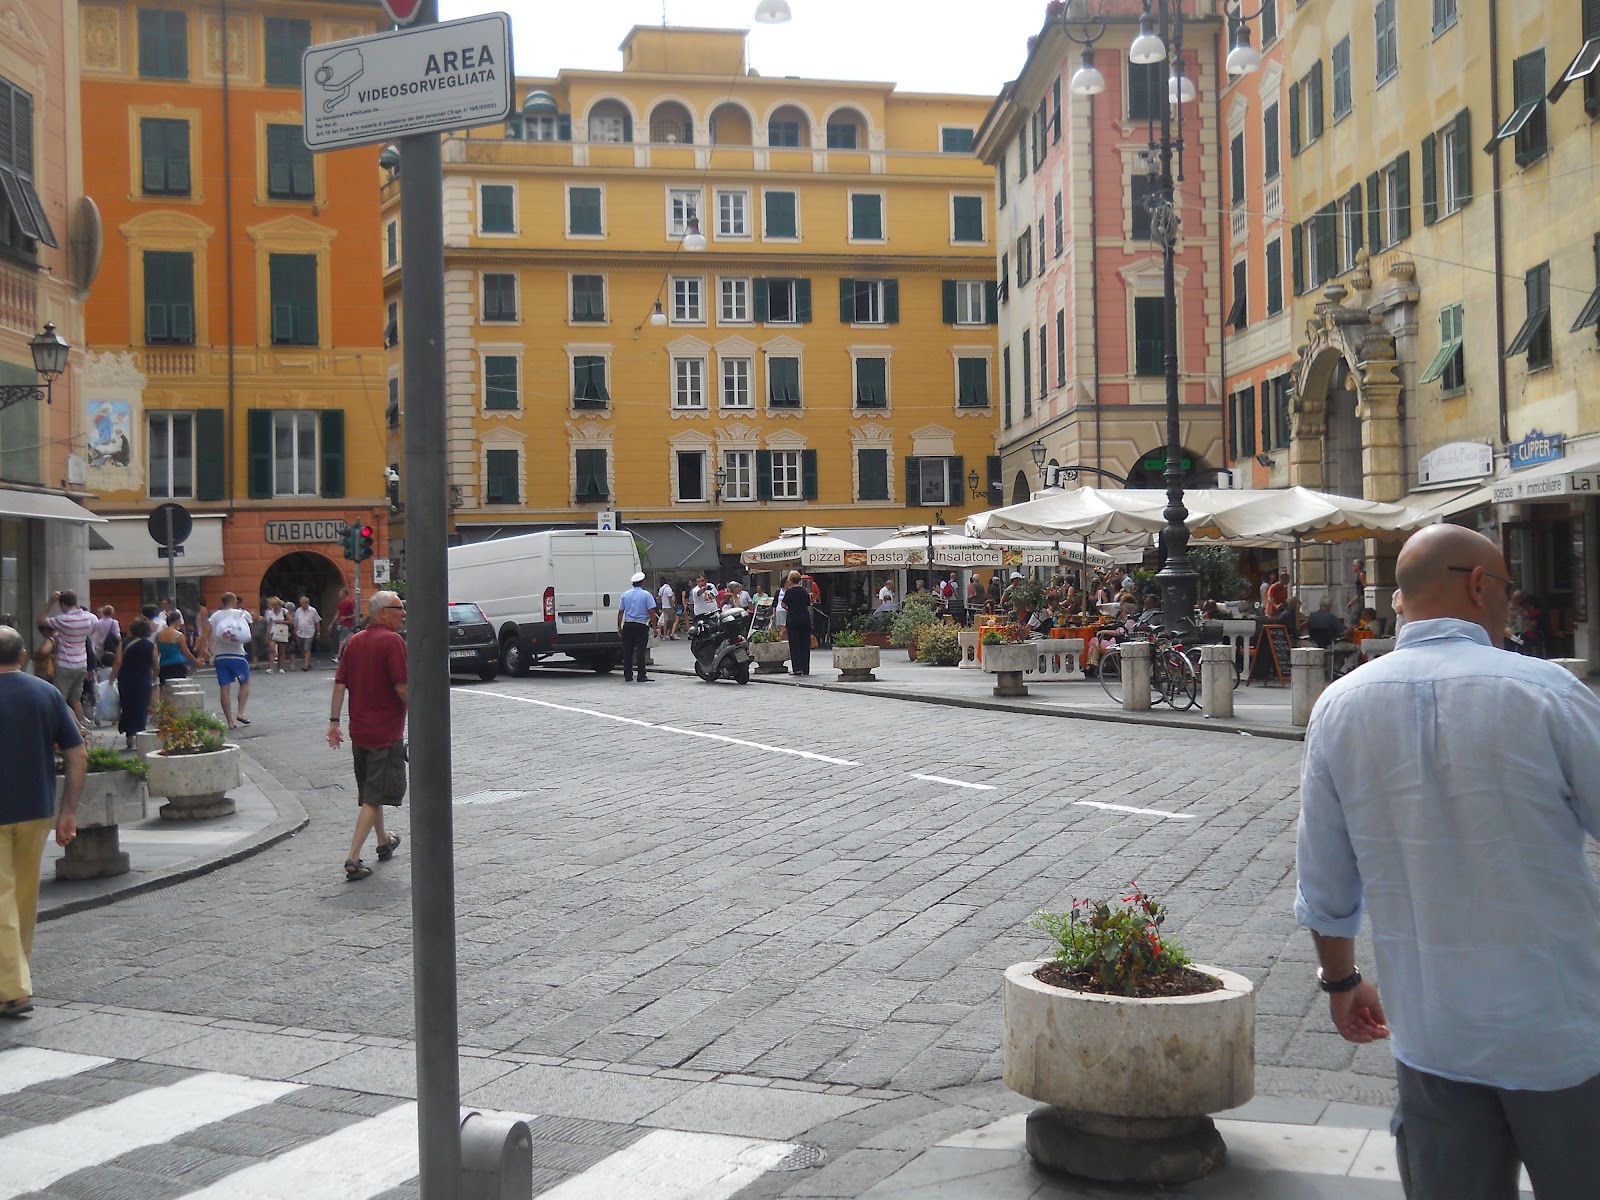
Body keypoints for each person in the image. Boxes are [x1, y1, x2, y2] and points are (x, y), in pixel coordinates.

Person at [1295, 524, 1600, 1199]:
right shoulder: (1547, 693)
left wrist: (1341, 984)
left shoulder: (1339, 706)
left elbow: (1324, 878)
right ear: (1479, 585)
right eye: (1509, 590)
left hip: (1432, 1035)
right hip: (1562, 1030)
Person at [0, 625, 83, 1019]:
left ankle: (12, 989)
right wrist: (68, 811)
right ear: (21, 657)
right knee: (23, 897)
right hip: (36, 809)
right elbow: (77, 752)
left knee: (1, 901)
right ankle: (15, 977)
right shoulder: (46, 693)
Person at [327, 591, 408, 882]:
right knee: (373, 797)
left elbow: (340, 684)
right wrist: (421, 715)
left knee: (373, 792)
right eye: (399, 608)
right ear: (383, 613)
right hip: (384, 733)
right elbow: (401, 687)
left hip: (358, 731)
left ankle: (384, 841)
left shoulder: (354, 641)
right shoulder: (393, 641)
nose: (403, 613)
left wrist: (334, 722)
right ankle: (352, 857)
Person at [204, 592, 254, 729]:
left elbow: (206, 632)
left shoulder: (215, 616)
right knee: (244, 683)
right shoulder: (240, 613)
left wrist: (204, 649)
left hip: (220, 656)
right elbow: (250, 625)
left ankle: (230, 722)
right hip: (237, 654)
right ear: (233, 601)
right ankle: (240, 712)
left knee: (224, 689)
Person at [113, 617, 159, 750]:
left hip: (126, 679)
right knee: (141, 707)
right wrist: (154, 676)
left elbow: (117, 662)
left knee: (127, 706)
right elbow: (156, 665)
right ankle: (140, 734)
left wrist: (112, 678)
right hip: (143, 680)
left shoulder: (124, 643)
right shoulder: (151, 646)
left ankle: (129, 736)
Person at [616, 570, 657, 683]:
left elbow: (620, 612)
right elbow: (651, 611)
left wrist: (619, 627)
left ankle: (628, 675)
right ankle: (641, 675)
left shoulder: (625, 595)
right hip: (641, 625)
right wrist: (655, 627)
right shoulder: (646, 595)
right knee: (640, 651)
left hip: (628, 625)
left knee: (627, 650)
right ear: (642, 582)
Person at [155, 610, 199, 688]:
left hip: (163, 665)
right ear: (176, 621)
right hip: (177, 664)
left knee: (165, 689)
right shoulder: (179, 635)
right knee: (179, 688)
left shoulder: (159, 635)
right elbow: (186, 652)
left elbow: (156, 653)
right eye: (179, 621)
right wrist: (196, 662)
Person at [782, 569, 812, 676]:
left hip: (793, 619)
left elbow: (783, 605)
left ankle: (797, 668)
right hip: (804, 619)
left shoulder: (789, 591)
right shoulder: (805, 591)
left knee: (794, 644)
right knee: (805, 644)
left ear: (790, 580)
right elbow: (808, 606)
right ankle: (805, 668)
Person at [263, 596, 292, 674]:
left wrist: (281, 621)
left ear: (279, 604)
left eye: (275, 605)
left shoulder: (284, 611)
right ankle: (271, 668)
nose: (274, 607)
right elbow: (269, 624)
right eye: (273, 605)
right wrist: (267, 634)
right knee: (272, 650)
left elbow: (290, 621)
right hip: (273, 632)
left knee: (281, 650)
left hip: (282, 631)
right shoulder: (270, 613)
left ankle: (281, 667)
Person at [292, 595, 321, 671]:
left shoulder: (313, 610)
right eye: (302, 603)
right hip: (300, 633)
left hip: (310, 633)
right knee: (301, 649)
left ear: (308, 603)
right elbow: (296, 622)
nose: (304, 605)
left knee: (307, 648)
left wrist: (318, 633)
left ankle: (306, 665)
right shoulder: (298, 611)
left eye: (305, 603)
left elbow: (317, 622)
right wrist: (295, 630)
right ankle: (308, 661)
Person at [332, 588, 356, 664]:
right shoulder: (340, 603)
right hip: (341, 625)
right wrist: (332, 623)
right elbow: (337, 614)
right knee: (342, 641)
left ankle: (338, 656)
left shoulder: (350, 603)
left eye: (340, 593)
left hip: (347, 625)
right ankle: (344, 656)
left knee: (342, 640)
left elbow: (355, 614)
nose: (339, 594)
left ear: (345, 594)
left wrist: (346, 617)